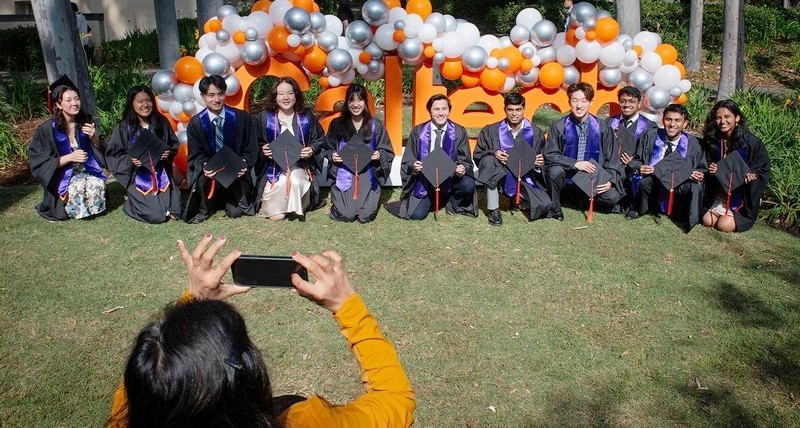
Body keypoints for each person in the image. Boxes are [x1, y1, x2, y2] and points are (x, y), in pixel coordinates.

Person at [106, 234, 416, 427]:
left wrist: (194, 301)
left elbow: (145, 386)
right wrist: (347, 306)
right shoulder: (306, 423)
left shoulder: (129, 414)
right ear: (249, 370)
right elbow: (395, 399)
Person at [184, 75, 258, 223]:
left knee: (236, 212)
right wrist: (205, 166)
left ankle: (228, 201)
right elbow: (195, 154)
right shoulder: (196, 124)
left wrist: (244, 163)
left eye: (220, 94)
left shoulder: (242, 118)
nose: (216, 99)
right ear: (202, 96)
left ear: (225, 93)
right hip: (210, 178)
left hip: (236, 176)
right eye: (211, 95)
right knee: (203, 179)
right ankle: (208, 205)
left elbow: (251, 148)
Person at [544, 82, 624, 220]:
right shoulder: (559, 126)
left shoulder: (603, 127)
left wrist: (610, 180)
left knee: (613, 198)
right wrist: (575, 164)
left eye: (584, 101)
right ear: (569, 101)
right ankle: (556, 208)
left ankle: (578, 199)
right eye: (575, 100)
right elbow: (550, 154)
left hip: (591, 177)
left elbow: (612, 158)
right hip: (567, 176)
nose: (579, 105)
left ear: (591, 102)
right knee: (555, 171)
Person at [390, 94, 477, 220]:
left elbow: (466, 160)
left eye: (444, 109)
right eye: (436, 109)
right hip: (426, 181)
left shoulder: (459, 131)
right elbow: (408, 160)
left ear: (449, 110)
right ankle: (430, 200)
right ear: (429, 111)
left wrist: (461, 169)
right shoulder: (418, 132)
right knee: (417, 215)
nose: (441, 113)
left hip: (451, 180)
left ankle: (451, 202)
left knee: (468, 184)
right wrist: (414, 166)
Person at [28, 80, 106, 220]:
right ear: (58, 104)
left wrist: (94, 138)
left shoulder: (85, 122)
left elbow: (103, 149)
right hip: (62, 175)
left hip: (86, 170)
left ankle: (91, 207)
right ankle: (72, 208)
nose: (74, 103)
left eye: (76, 99)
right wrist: (69, 157)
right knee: (77, 186)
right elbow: (39, 161)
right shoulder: (47, 130)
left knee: (96, 183)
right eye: (68, 100)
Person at [106, 85, 183, 223]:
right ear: (132, 104)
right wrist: (130, 160)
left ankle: (161, 203)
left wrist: (168, 153)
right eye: (140, 101)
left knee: (177, 211)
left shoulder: (161, 122)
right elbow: (114, 155)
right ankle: (130, 205)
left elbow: (173, 145)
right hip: (139, 178)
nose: (145, 105)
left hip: (162, 174)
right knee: (156, 216)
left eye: (148, 100)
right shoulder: (124, 128)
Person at [255, 77, 326, 221]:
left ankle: (298, 205)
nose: (286, 97)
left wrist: (311, 149)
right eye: (281, 94)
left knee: (294, 179)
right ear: (275, 97)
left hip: (299, 166)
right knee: (277, 216)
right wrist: (263, 149)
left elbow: (319, 139)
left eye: (290, 93)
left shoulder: (305, 116)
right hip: (273, 168)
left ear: (296, 95)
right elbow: (255, 142)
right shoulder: (264, 117)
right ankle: (283, 206)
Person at [627, 104, 707, 231]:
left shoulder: (693, 144)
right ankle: (639, 209)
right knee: (643, 182)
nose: (672, 124)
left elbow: (701, 168)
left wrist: (699, 173)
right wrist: (640, 167)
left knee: (693, 186)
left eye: (677, 120)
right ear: (662, 120)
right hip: (654, 181)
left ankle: (684, 217)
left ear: (685, 123)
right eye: (668, 119)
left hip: (678, 184)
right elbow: (636, 160)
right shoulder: (650, 136)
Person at [473, 92, 549, 226]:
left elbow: (544, 159)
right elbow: (478, 154)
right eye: (510, 110)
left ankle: (517, 199)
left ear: (524, 110)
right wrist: (494, 152)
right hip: (499, 175)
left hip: (524, 177)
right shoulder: (491, 131)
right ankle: (493, 209)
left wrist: (538, 164)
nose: (514, 114)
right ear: (505, 110)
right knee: (489, 161)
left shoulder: (536, 133)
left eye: (518, 109)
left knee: (545, 205)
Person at [324, 84, 394, 223]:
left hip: (367, 173)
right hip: (344, 172)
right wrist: (332, 155)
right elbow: (326, 147)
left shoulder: (375, 125)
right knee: (346, 214)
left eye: (360, 100)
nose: (356, 104)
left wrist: (379, 154)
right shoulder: (337, 124)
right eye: (352, 100)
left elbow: (387, 150)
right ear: (347, 103)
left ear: (365, 102)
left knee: (366, 215)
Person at [701, 100, 771, 233]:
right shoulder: (714, 140)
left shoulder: (751, 143)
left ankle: (736, 215)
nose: (722, 121)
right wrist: (711, 169)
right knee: (707, 221)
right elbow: (705, 163)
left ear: (737, 118)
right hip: (719, 192)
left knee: (724, 226)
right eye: (718, 117)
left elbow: (763, 169)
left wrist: (753, 176)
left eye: (727, 117)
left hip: (741, 196)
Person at [606, 86, 657, 211]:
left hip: (633, 169)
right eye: (623, 101)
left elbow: (650, 154)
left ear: (639, 103)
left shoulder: (649, 127)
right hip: (610, 166)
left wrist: (632, 162)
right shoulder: (609, 122)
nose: (626, 104)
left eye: (631, 101)